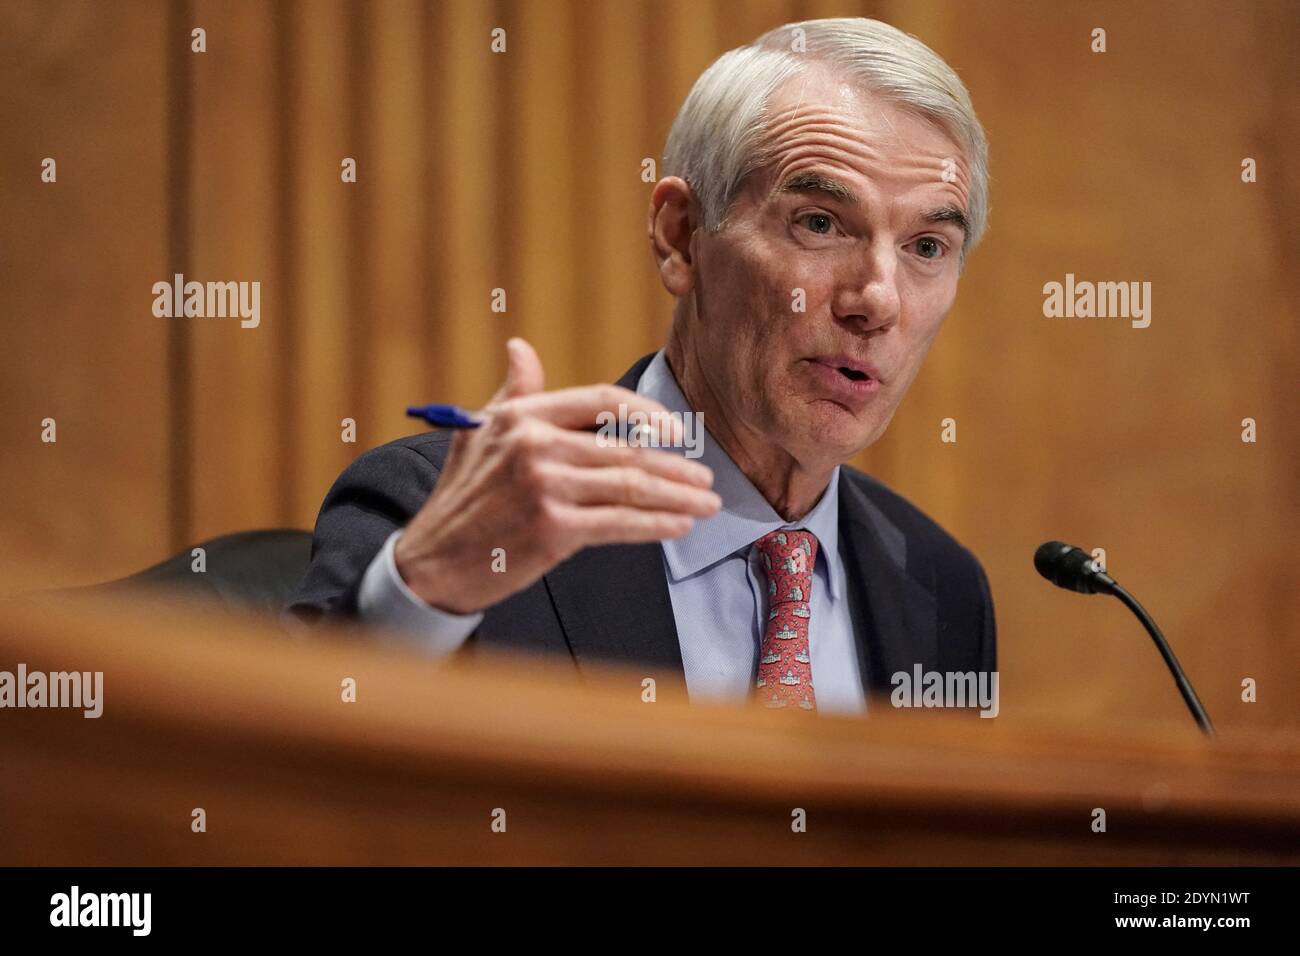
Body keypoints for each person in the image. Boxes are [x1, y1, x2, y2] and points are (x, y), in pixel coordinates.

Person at [287, 17, 995, 715]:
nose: (877, 300)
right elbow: (276, 787)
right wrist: (428, 586)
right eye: (818, 223)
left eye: (927, 247)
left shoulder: (942, 586)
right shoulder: (446, 513)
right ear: (682, 237)